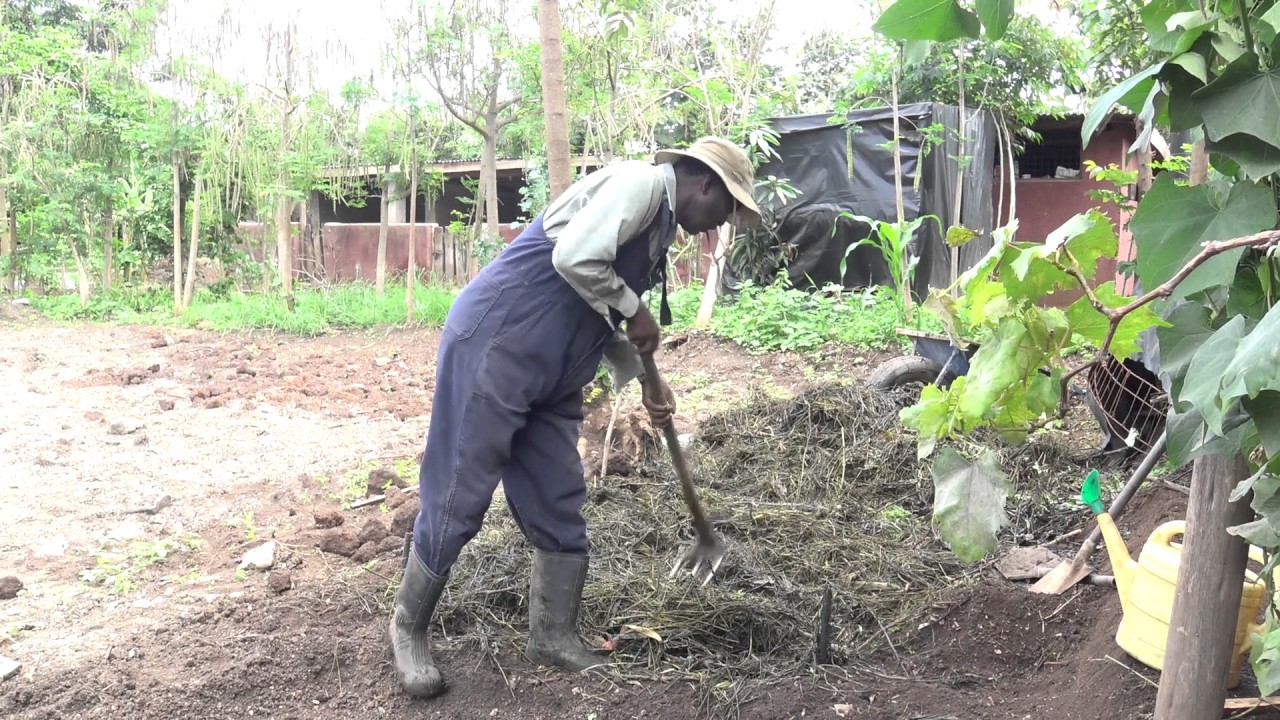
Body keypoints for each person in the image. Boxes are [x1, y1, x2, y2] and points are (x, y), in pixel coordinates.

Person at [389, 136, 760, 698]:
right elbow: (573, 258)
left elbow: (601, 310)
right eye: (727, 208)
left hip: (557, 369)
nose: (719, 224)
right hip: (499, 344)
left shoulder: (659, 230)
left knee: (558, 494)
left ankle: (553, 636)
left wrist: (646, 380)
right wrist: (636, 311)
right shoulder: (639, 185)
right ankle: (408, 626)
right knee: (460, 490)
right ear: (705, 183)